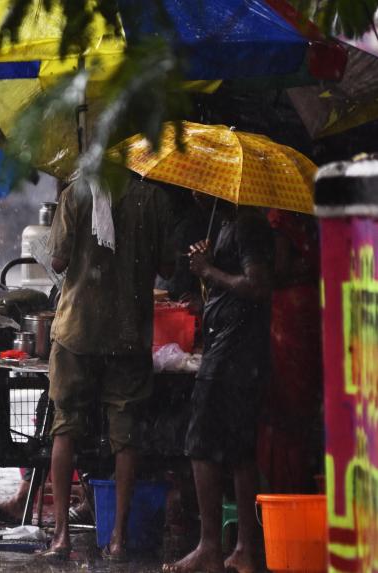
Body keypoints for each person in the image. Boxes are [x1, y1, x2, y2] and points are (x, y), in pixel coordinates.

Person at [43, 174, 175, 560]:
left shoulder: (75, 193)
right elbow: (167, 265)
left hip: (78, 331)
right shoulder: (154, 199)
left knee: (65, 425)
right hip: (127, 332)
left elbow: (57, 259)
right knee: (125, 434)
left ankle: (62, 536)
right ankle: (118, 538)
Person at [165, 196, 274, 573]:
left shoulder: (248, 225)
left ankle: (211, 546)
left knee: (201, 443)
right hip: (231, 348)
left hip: (234, 354)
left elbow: (258, 286)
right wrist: (206, 271)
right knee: (238, 450)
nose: (196, 195)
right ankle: (244, 547)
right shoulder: (229, 224)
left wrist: (210, 270)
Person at [256, 209, 322, 493]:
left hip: (289, 313)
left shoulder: (278, 217)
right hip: (308, 307)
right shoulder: (304, 216)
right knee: (300, 405)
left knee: (282, 406)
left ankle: (286, 488)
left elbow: (279, 269)